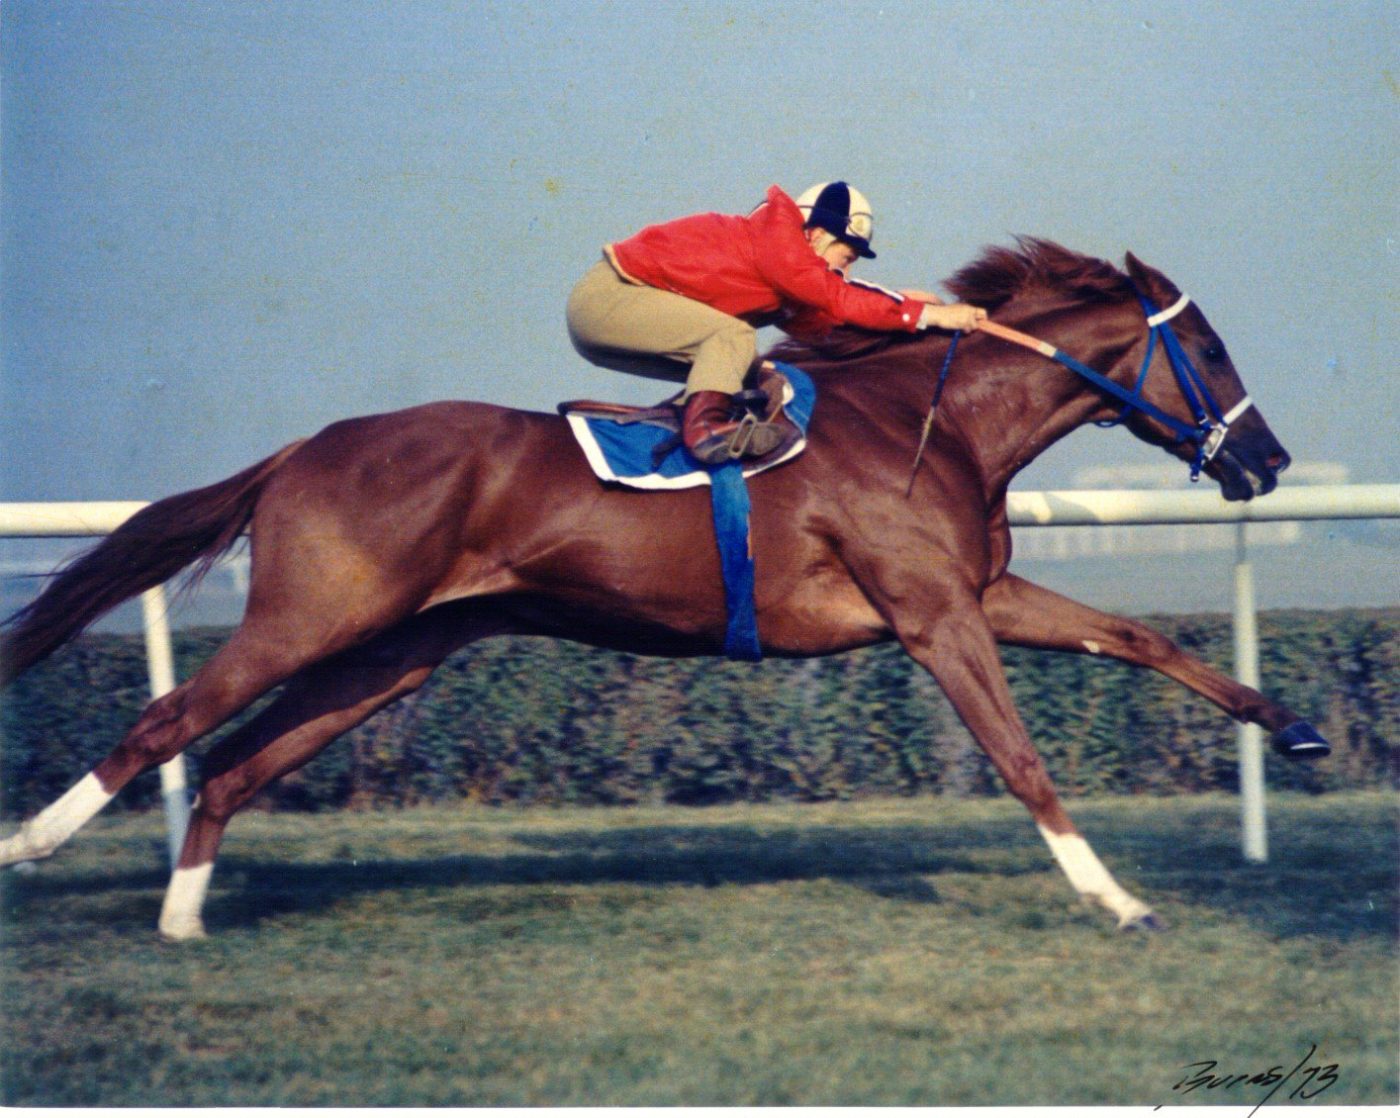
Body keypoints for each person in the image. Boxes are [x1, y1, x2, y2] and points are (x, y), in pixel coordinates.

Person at [566, 181, 988, 464]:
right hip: (610, 298)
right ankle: (706, 433)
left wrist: (908, 315)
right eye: (848, 255)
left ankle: (694, 424)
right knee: (733, 336)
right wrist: (929, 313)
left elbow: (832, 325)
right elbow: (837, 297)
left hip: (618, 313)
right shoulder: (781, 243)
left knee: (746, 364)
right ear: (818, 235)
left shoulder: (789, 278)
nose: (848, 268)